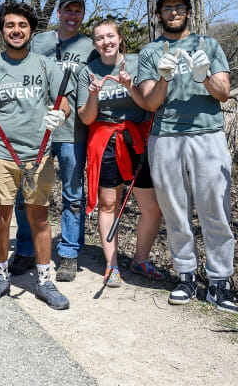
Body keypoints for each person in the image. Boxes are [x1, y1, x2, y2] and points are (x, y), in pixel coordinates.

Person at [136, 0, 237, 312]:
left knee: (215, 208)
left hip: (207, 134)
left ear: (189, 12)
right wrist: (164, 78)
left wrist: (203, 75)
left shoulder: (209, 45)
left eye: (179, 7)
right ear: (159, 16)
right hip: (166, 136)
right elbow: (151, 102)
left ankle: (220, 280)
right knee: (175, 210)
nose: (173, 12)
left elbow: (223, 93)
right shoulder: (150, 52)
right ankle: (185, 274)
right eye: (167, 8)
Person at [0, 0, 72, 310]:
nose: (16, 30)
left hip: (39, 153)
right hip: (1, 152)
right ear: (2, 31)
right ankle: (1, 275)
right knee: (1, 216)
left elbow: (64, 103)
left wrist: (62, 115)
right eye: (10, 25)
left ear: (31, 30)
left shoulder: (46, 66)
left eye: (22, 25)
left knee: (39, 217)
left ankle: (44, 280)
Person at [77, 18, 164, 288]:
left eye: (110, 36)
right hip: (106, 141)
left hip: (137, 138)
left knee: (152, 207)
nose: (106, 42)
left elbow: (149, 103)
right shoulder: (88, 72)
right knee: (108, 204)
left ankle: (140, 260)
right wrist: (93, 95)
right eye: (100, 38)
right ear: (95, 43)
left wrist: (130, 86)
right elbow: (87, 118)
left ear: (120, 38)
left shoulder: (138, 63)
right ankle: (111, 264)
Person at [22, 0, 98, 281]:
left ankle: (68, 252)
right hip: (35, 131)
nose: (73, 15)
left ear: (83, 15)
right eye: (68, 10)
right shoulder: (38, 42)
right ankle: (27, 250)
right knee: (29, 192)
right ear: (58, 12)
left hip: (72, 131)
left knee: (73, 194)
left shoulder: (90, 48)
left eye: (78, 11)